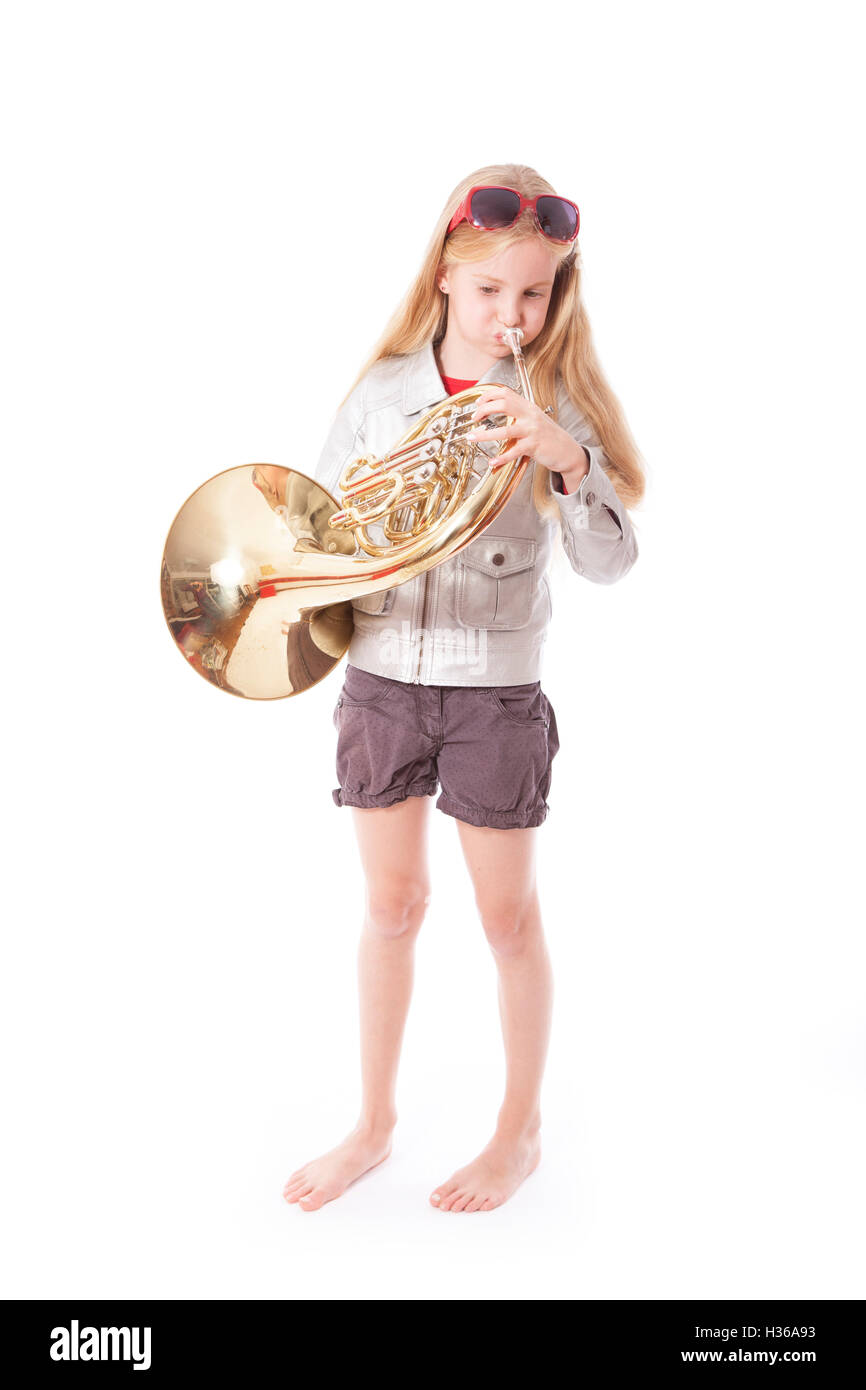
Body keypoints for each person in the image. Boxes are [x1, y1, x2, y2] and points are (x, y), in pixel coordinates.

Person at [283, 163, 646, 1214]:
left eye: (532, 293)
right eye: (490, 290)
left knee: (504, 921)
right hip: (381, 682)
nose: (510, 314)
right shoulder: (381, 393)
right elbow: (317, 537)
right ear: (445, 276)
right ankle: (373, 1122)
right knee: (390, 907)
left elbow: (611, 566)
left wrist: (568, 463)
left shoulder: (557, 405)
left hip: (495, 695)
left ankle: (518, 1128)